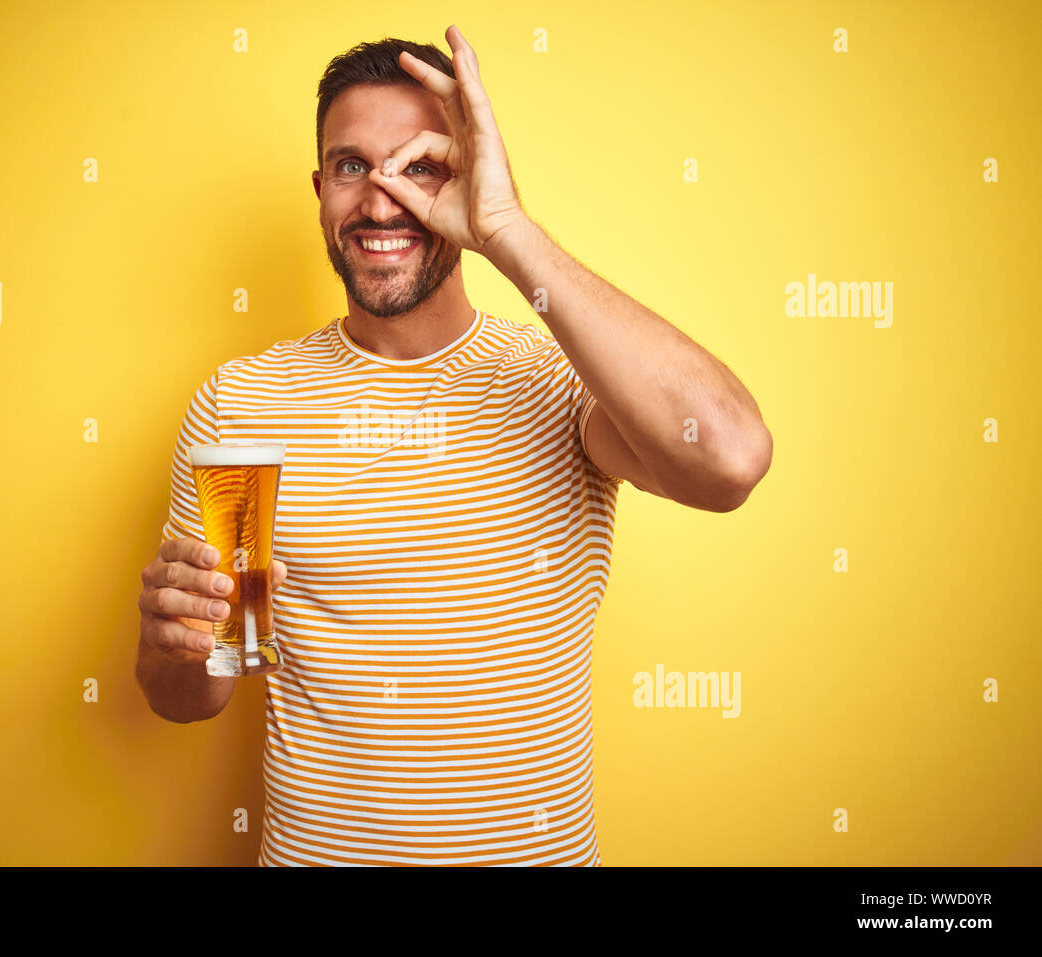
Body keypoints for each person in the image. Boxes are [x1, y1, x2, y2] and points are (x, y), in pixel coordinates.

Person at [136, 25, 772, 866]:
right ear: (320, 186)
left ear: (468, 180)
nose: (380, 200)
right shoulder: (247, 403)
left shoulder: (561, 381)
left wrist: (505, 226)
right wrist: (173, 641)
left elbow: (730, 457)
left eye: (420, 167)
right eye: (354, 166)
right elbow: (201, 689)